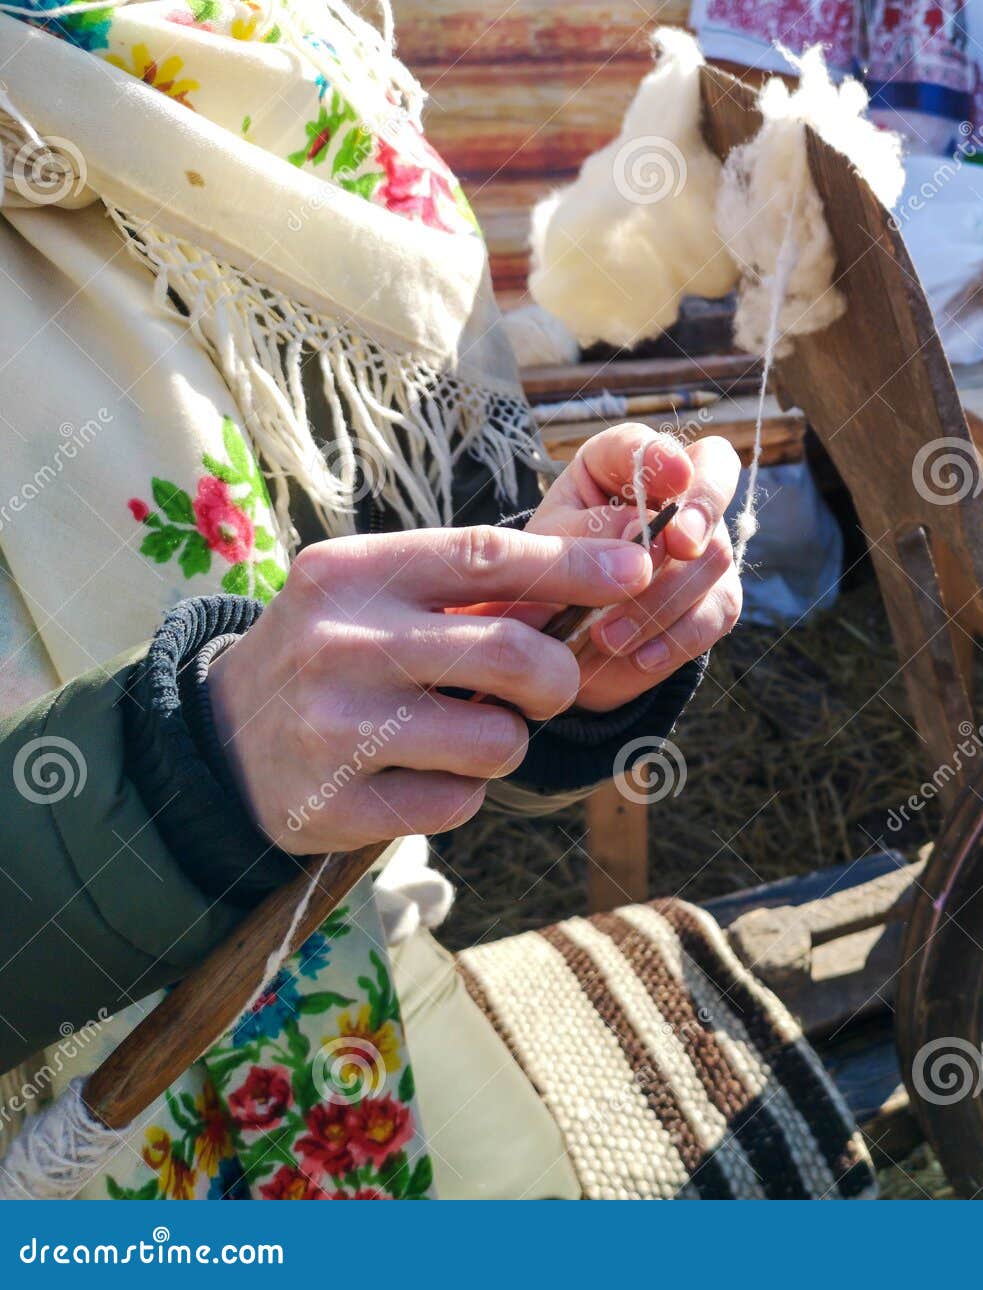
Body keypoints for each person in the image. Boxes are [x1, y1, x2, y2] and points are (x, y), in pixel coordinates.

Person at [0, 0, 741, 1199]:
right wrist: (190, 777)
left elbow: (387, 547)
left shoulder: (286, 63)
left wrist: (546, 642)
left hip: (337, 963)